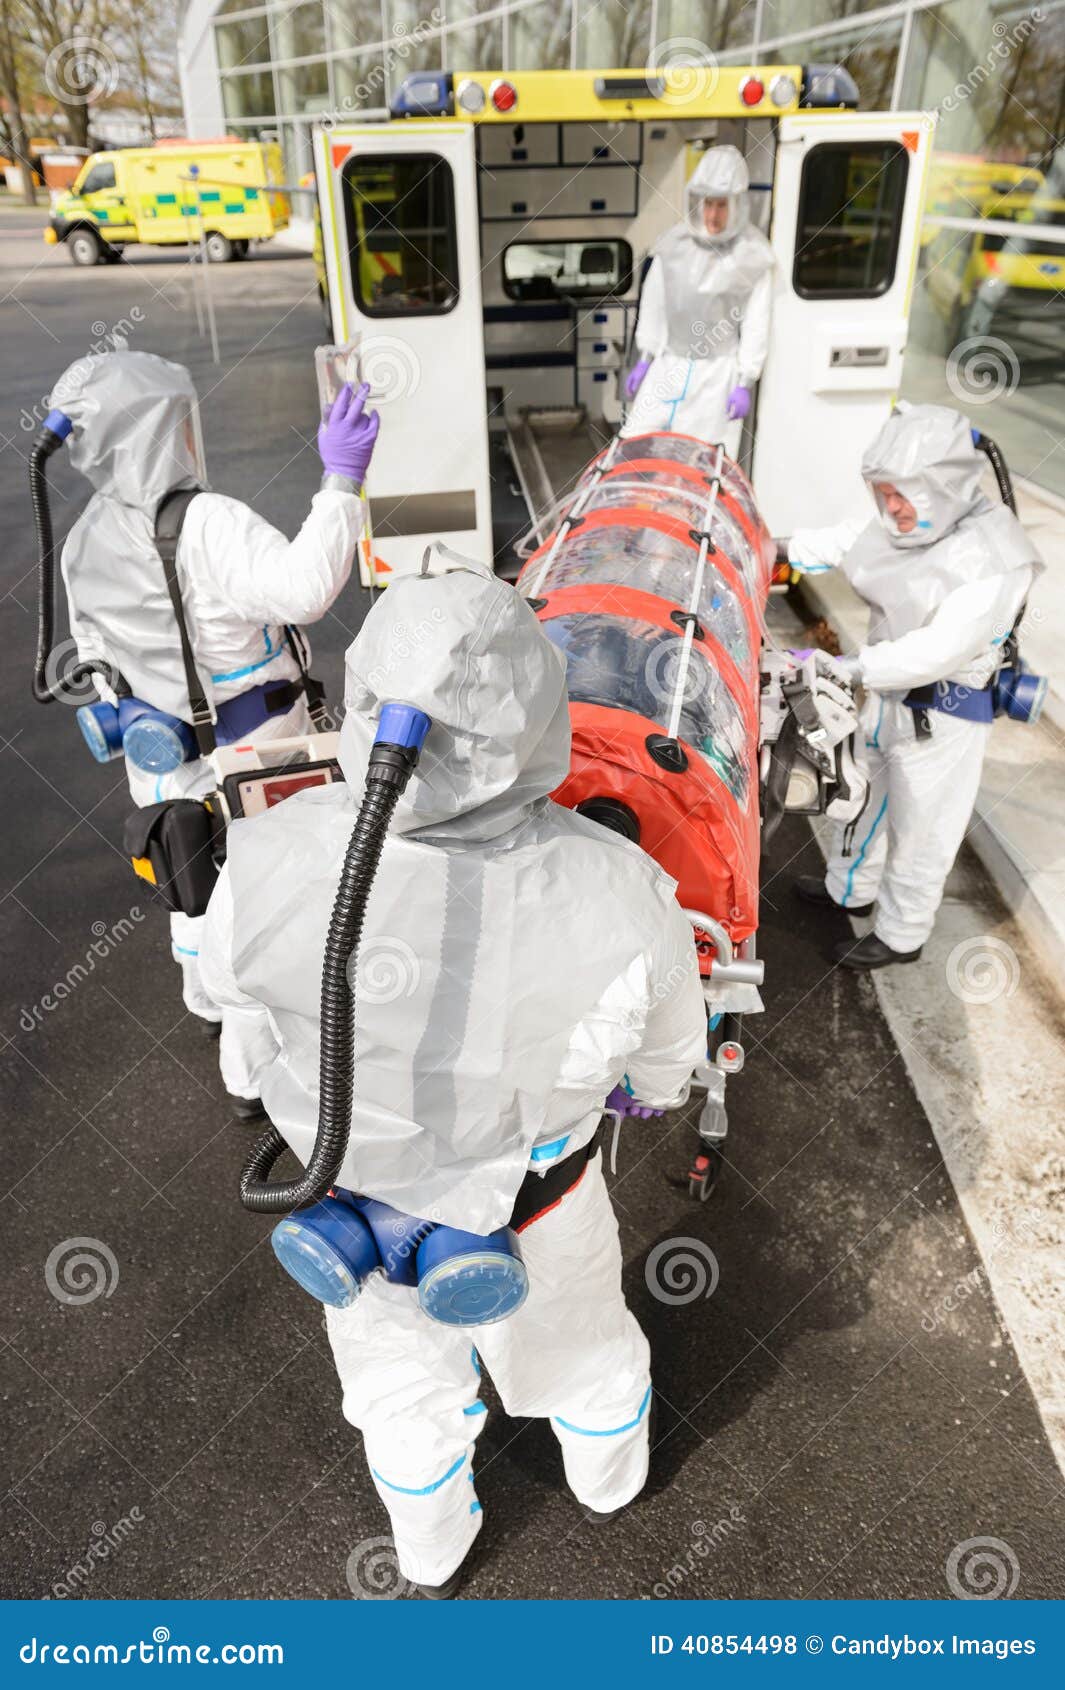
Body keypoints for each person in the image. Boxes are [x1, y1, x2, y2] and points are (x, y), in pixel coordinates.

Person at [199, 554, 708, 1596]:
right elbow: (666, 1064)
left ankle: (432, 1553)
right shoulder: (625, 891)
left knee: (396, 1394)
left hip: (341, 1194)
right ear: (537, 721)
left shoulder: (260, 862)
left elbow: (235, 1027)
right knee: (584, 1352)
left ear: (371, 705)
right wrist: (629, 1093)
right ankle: (610, 1487)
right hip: (540, 1207)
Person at [52, 349, 378, 1112]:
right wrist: (341, 481)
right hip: (255, 758)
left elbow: (89, 653)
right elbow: (303, 591)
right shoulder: (207, 525)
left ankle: (203, 1001)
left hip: (161, 761)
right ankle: (252, 1077)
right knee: (261, 909)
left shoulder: (85, 537)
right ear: (166, 432)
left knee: (187, 877)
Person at [787, 403, 1041, 970]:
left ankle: (902, 937)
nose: (890, 509)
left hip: (943, 716)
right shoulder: (912, 523)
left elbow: (935, 653)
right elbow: (854, 539)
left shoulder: (993, 559)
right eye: (883, 494)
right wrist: (778, 549)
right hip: (885, 698)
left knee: (921, 831)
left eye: (902, 496)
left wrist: (846, 668)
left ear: (943, 488)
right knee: (860, 801)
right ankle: (847, 890)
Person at [623, 144, 773, 450]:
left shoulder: (753, 255)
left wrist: (745, 382)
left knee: (699, 461)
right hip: (669, 365)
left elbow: (757, 323)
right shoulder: (673, 244)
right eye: (707, 204)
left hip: (716, 377)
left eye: (721, 205)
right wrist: (645, 358)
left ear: (737, 205)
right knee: (636, 443)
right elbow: (654, 307)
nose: (712, 215)